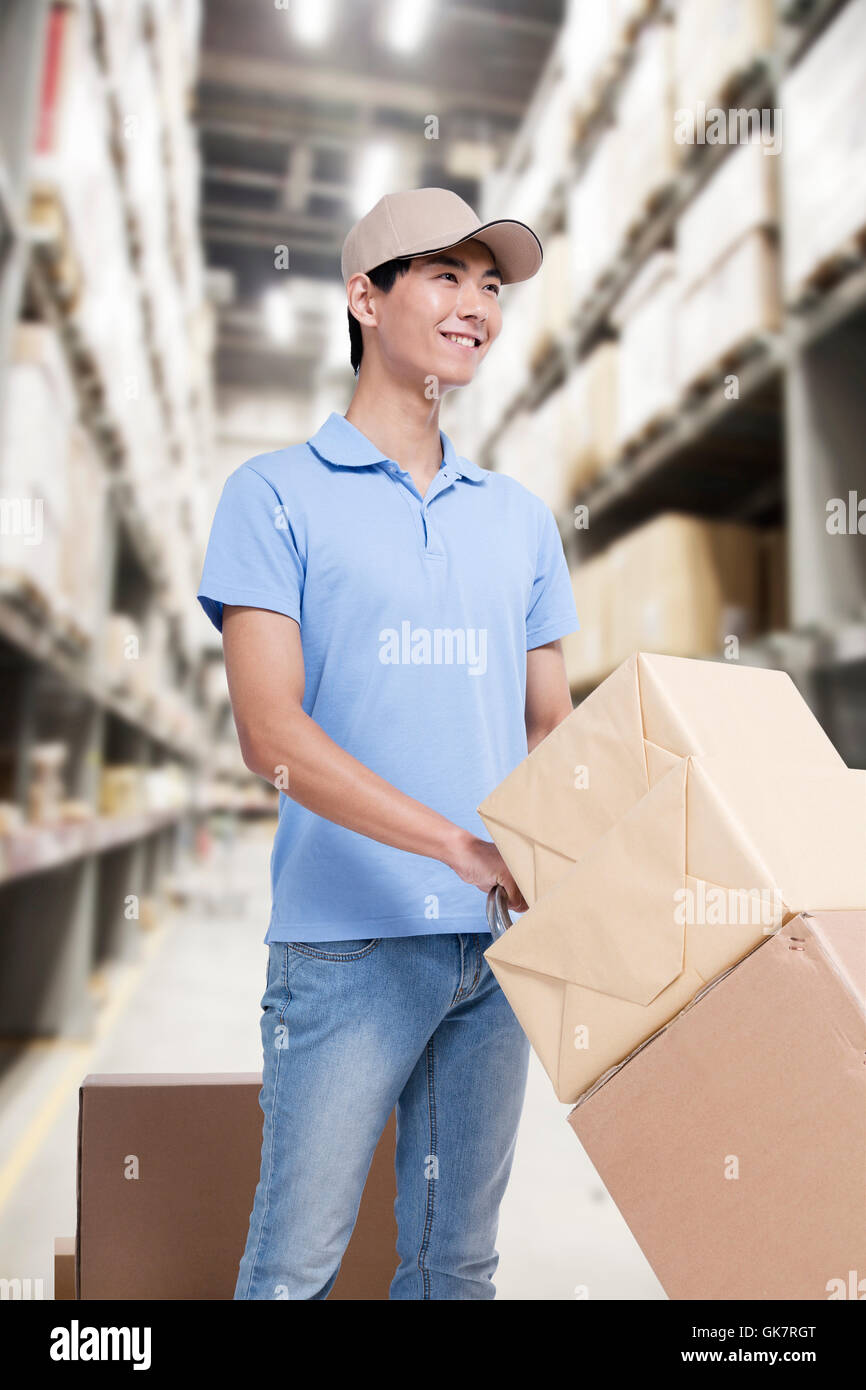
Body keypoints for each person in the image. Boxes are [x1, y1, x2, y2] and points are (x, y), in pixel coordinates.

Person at [196, 187, 580, 1300]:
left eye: (491, 287)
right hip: (345, 948)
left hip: (492, 954)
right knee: (293, 1268)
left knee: (455, 1266)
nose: (476, 308)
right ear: (364, 297)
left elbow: (548, 725)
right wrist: (452, 844)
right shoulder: (270, 497)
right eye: (445, 277)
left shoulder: (516, 519)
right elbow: (269, 734)